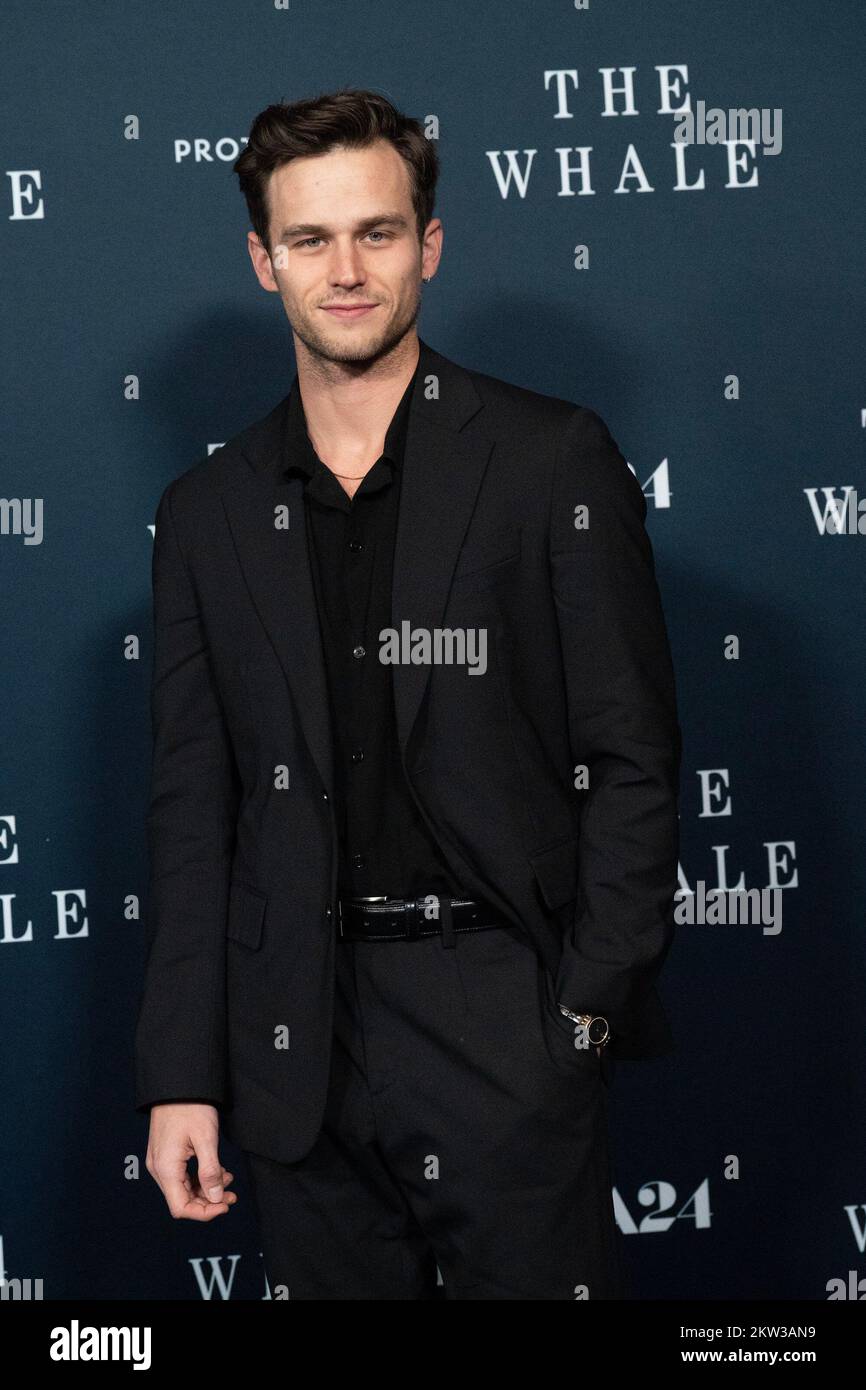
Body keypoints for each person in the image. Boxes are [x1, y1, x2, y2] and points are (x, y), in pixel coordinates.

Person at [134, 87, 682, 1300]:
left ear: (427, 245)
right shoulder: (208, 513)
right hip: (297, 1043)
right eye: (310, 239)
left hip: (502, 1026)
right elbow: (192, 815)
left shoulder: (549, 462)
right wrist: (183, 1072)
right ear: (261, 260)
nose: (345, 269)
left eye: (376, 232)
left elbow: (632, 759)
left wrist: (575, 1024)